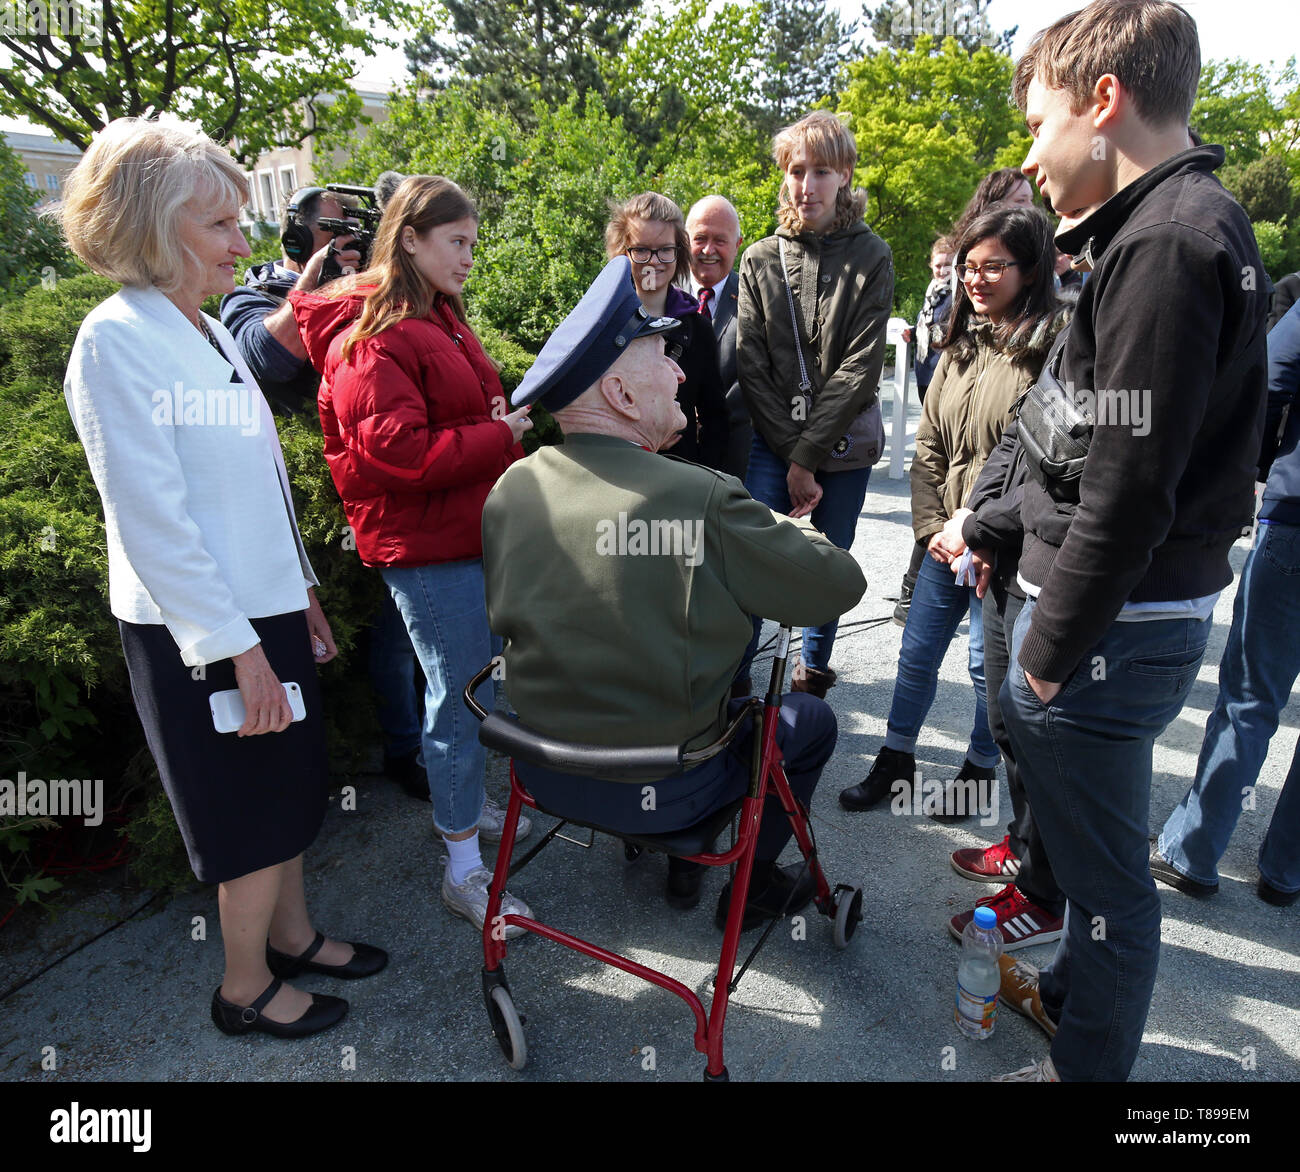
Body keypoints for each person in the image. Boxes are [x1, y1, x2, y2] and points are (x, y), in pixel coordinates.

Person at [59, 118, 386, 1040]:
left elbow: (259, 482)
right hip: (199, 629)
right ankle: (244, 988)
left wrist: (303, 593)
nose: (245, 245)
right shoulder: (115, 341)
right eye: (220, 226)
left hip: (261, 607)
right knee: (245, 808)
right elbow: (153, 523)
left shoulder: (202, 329)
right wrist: (237, 648)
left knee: (283, 784)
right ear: (153, 227)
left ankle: (294, 937)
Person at [994, 0, 1269, 1083]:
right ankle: (1066, 1003)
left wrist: (1046, 651)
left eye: (1037, 122)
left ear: (1103, 104)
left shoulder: (1164, 242)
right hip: (1120, 618)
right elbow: (1088, 425)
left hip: (1105, 631)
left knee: (1110, 891)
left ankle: (1087, 1069)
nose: (1029, 156)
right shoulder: (1168, 224)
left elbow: (1128, 484)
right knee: (1081, 847)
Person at [482, 257, 867, 919]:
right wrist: (772, 523)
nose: (682, 372)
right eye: (663, 356)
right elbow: (839, 585)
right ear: (622, 398)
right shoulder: (704, 497)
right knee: (813, 721)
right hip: (667, 785)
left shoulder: (512, 486)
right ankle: (760, 886)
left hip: (540, 768)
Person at [290, 175, 537, 936]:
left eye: (471, 241)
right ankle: (461, 867)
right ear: (413, 240)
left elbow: (446, 415)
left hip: (462, 534)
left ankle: (465, 812)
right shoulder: (374, 335)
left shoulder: (435, 316)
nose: (468, 256)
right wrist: (503, 435)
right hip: (428, 551)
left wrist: (495, 415)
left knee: (471, 694)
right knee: (457, 701)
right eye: (456, 242)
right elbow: (397, 452)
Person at [839, 206, 1067, 817]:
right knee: (916, 653)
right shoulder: (958, 346)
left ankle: (977, 772)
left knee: (981, 667)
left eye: (994, 266)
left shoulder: (1051, 350)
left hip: (1001, 545)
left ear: (1031, 269)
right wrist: (932, 529)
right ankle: (895, 759)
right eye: (969, 265)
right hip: (942, 536)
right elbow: (930, 448)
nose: (976, 279)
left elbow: (1040, 466)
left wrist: (983, 533)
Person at [220, 188, 426, 801]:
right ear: (294, 235)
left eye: (354, 232)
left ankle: (413, 742)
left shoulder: (362, 290)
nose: (347, 242)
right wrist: (316, 281)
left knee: (400, 625)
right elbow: (266, 359)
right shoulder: (249, 293)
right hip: (301, 507)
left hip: (374, 491)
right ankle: (387, 750)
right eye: (332, 229)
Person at [737, 110, 894, 699]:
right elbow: (752, 366)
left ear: (845, 175)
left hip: (842, 446)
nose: (808, 185)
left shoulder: (872, 254)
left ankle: (813, 677)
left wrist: (806, 456)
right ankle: (738, 686)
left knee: (829, 566)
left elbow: (860, 365)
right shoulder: (758, 259)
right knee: (753, 563)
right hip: (773, 448)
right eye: (797, 170)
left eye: (821, 171)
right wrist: (792, 454)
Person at [1150, 298, 1300, 908]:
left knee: (1251, 697)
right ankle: (1286, 868)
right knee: (1252, 696)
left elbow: (1269, 378)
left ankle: (1197, 851)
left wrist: (1258, 467)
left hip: (1296, 519)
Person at [605, 192, 729, 469]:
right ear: (621, 252)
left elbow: (715, 419)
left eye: (665, 250)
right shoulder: (603, 323)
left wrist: (703, 481)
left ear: (679, 252)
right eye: (641, 250)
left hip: (680, 479)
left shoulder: (698, 329)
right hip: (615, 475)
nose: (654, 261)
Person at [892, 236, 954, 626]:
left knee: (941, 489)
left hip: (946, 391)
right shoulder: (934, 295)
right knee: (932, 485)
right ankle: (910, 594)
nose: (943, 271)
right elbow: (930, 333)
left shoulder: (958, 295)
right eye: (939, 264)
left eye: (950, 264)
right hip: (929, 385)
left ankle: (911, 593)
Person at [685, 195, 750, 479]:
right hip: (671, 461)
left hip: (736, 465)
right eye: (700, 238)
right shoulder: (659, 297)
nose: (708, 250)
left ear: (737, 245)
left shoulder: (755, 301)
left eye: (720, 241)